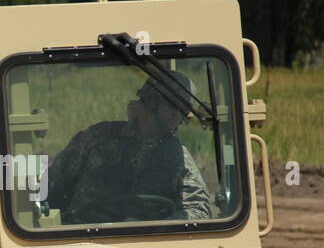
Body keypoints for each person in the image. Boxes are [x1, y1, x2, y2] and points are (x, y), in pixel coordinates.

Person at [43, 71, 215, 224]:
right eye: (172, 106)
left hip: (149, 244)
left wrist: (160, 227)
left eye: (183, 110)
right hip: (86, 237)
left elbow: (199, 210)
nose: (177, 114)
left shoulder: (178, 156)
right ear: (151, 102)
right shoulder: (96, 138)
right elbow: (52, 184)